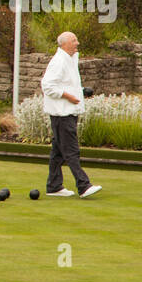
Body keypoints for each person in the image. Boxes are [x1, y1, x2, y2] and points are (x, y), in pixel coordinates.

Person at [40, 31, 101, 198]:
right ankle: (83, 185)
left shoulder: (70, 60)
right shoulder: (59, 61)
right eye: (74, 40)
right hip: (62, 113)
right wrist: (69, 96)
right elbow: (48, 86)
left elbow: (66, 83)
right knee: (71, 150)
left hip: (68, 112)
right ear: (65, 43)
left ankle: (54, 186)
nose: (77, 43)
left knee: (58, 151)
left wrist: (81, 92)